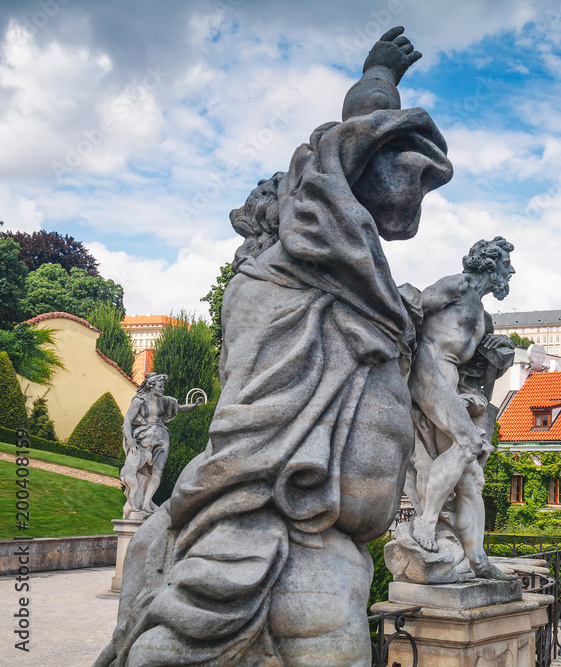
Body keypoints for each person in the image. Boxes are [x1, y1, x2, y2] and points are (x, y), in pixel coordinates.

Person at [98, 27, 453, 666]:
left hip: (318, 543)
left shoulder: (352, 287)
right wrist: (378, 84)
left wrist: (378, 87)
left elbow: (351, 170)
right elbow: (341, 164)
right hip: (274, 533)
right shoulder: (304, 281)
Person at [405, 237, 515, 579]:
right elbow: (412, 310)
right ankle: (425, 522)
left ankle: (477, 559)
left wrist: (500, 356)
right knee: (469, 444)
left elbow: (485, 371)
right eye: (505, 266)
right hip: (428, 368)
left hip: (452, 384)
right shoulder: (457, 285)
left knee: (469, 477)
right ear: (489, 265)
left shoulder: (484, 316)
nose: (509, 272)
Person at [119, 373, 202, 520]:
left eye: (163, 386)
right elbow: (127, 420)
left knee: (157, 472)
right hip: (143, 437)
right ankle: (137, 503)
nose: (162, 388)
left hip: (161, 436)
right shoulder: (139, 401)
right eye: (160, 386)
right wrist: (130, 441)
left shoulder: (165, 401)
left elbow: (181, 408)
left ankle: (145, 504)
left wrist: (195, 405)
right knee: (140, 470)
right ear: (151, 386)